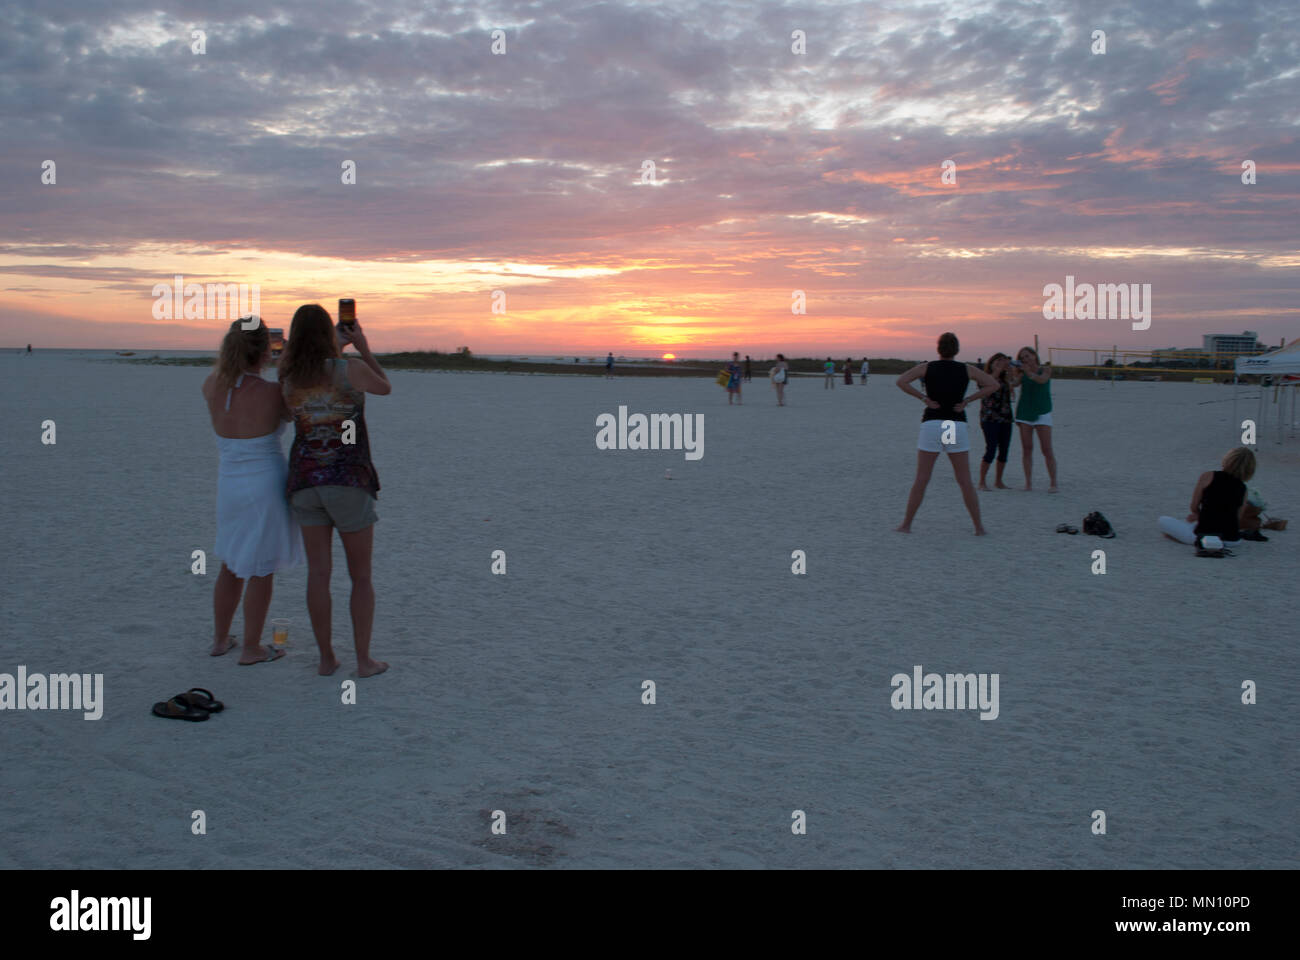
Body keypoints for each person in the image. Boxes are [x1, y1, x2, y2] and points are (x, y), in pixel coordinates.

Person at [280, 304, 391, 677]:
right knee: (360, 576)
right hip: (348, 480)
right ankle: (363, 660)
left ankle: (326, 658)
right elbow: (385, 387)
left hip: (306, 481)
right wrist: (361, 347)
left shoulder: (289, 377)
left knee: (318, 574)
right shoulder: (352, 369)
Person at [201, 318, 305, 663]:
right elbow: (297, 414)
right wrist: (286, 364)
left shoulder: (211, 386)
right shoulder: (272, 393)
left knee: (230, 561)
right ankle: (250, 647)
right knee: (261, 567)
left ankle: (220, 639)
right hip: (265, 482)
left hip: (229, 483)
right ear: (264, 349)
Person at [894, 332, 1000, 534]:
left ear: (938, 348)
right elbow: (993, 385)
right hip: (953, 424)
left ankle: (906, 524)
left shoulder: (927, 367)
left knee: (922, 478)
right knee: (964, 480)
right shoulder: (965, 369)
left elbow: (902, 381)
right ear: (956, 349)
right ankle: (978, 527)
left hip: (933, 423)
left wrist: (924, 398)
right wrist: (968, 400)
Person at [1158, 448, 1256, 546]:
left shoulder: (1208, 476)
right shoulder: (1244, 489)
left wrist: (1200, 516)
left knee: (1163, 520)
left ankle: (1176, 537)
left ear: (1227, 460)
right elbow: (1237, 518)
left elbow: (1193, 507)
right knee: (1192, 524)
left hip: (1203, 536)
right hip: (1232, 540)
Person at [1008, 346, 1058, 492]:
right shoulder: (1022, 373)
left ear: (1034, 356)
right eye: (1022, 358)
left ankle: (1053, 482)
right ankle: (1028, 482)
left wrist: (1028, 372)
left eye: (1027, 356)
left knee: (1047, 449)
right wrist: (1011, 373)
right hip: (1025, 412)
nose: (1025, 359)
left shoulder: (1045, 369)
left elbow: (1042, 380)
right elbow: (1013, 384)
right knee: (1027, 449)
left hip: (1042, 411)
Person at [977, 353, 1015, 491]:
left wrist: (1010, 373)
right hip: (989, 417)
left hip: (1005, 417)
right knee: (991, 449)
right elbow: (984, 388)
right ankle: (982, 481)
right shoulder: (985, 377)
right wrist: (997, 371)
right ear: (992, 363)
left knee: (1004, 450)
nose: (1001, 363)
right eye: (998, 361)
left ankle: (999, 481)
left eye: (1003, 361)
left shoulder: (1005, 378)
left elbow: (1012, 388)